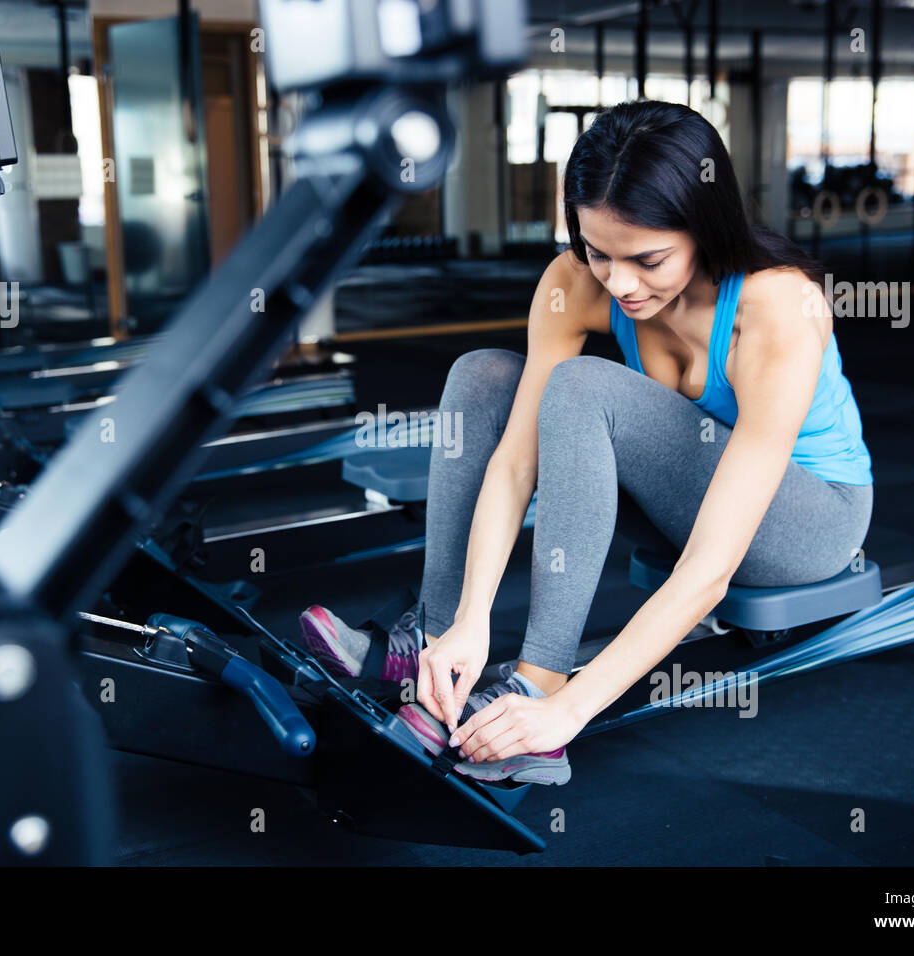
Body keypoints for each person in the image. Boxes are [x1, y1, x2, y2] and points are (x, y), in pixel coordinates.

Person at [299, 100, 873, 786]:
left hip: (805, 526)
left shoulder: (775, 305)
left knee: (581, 386)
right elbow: (515, 463)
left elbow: (712, 567)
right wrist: (473, 621)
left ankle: (537, 689)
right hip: (681, 501)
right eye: (600, 252)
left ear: (706, 227)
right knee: (484, 376)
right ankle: (431, 643)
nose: (620, 282)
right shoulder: (574, 282)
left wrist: (572, 706)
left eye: (649, 259)